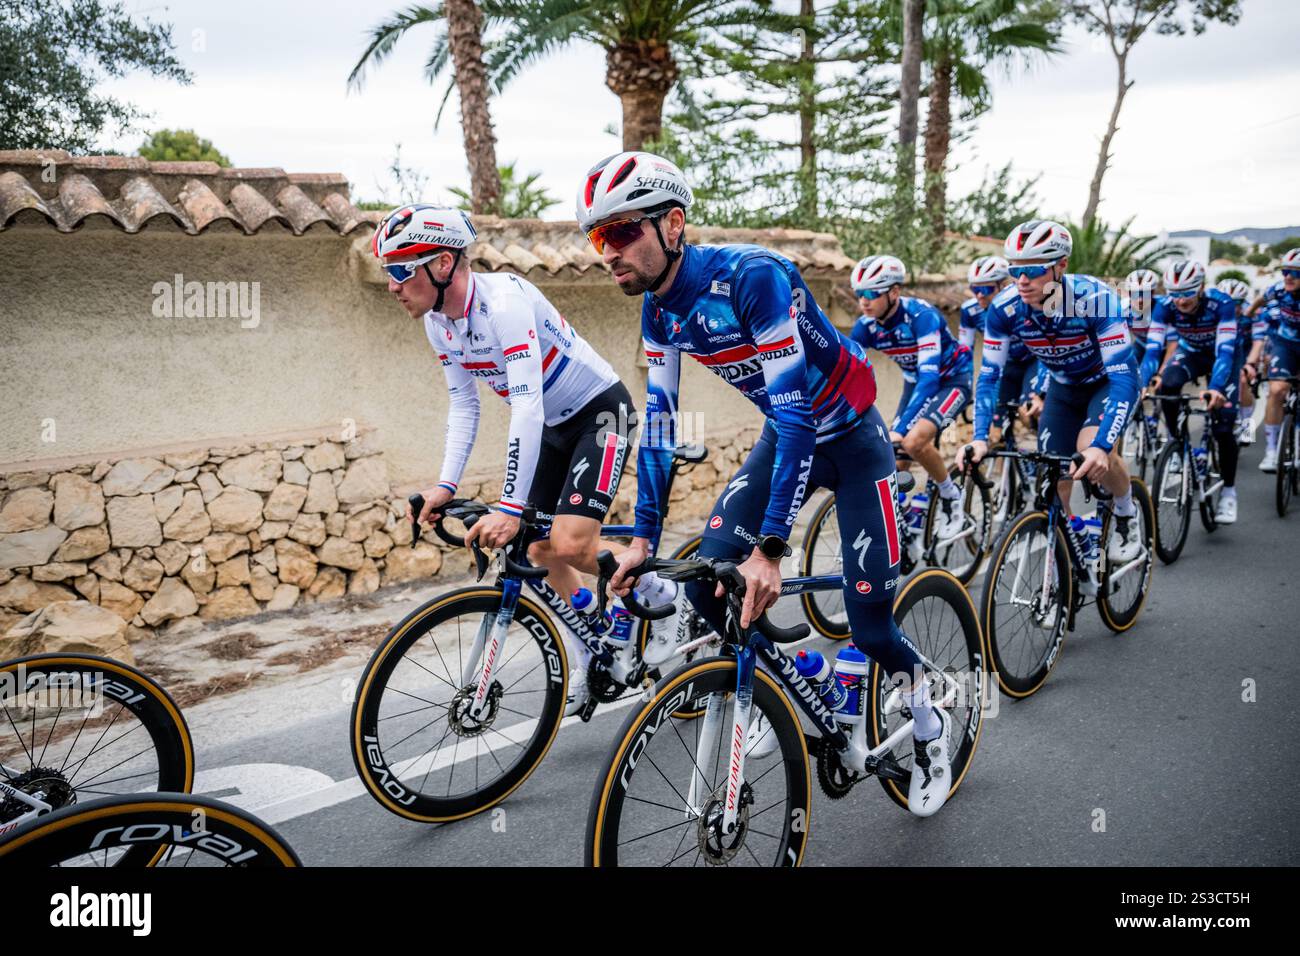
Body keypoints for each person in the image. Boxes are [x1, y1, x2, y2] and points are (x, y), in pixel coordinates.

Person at [581, 151, 954, 816]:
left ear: (672, 225)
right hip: (787, 439)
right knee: (709, 572)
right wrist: (642, 538)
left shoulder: (753, 277)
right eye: (595, 237)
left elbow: (795, 409)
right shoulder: (660, 314)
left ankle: (930, 726)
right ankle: (787, 682)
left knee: (870, 630)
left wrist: (773, 548)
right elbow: (663, 423)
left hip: (852, 442)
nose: (605, 251)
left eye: (618, 233)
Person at [371, 203, 674, 715]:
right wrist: (446, 486)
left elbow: (526, 401)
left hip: (599, 413)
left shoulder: (504, 302)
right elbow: (464, 404)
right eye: (387, 272)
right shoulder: (440, 325)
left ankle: (663, 597)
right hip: (554, 429)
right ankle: (590, 650)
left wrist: (509, 507)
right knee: (537, 551)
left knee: (570, 544)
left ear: (442, 265)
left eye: (401, 269)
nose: (392, 284)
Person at [960, 219, 1144, 567]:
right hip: (1063, 387)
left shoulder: (1096, 299)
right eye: (1015, 270)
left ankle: (1125, 511)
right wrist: (982, 438)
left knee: (1090, 453)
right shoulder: (1004, 309)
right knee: (1052, 481)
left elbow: (1123, 378)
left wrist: (1102, 446)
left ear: (1062, 266)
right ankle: (1073, 542)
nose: (1022, 280)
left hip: (1107, 383)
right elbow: (989, 376)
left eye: (1033, 269)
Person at [850, 254, 974, 540]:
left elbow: (930, 378)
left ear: (894, 292)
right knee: (895, 462)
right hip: (915, 383)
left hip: (951, 380)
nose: (863, 301)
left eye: (871, 293)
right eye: (859, 294)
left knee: (912, 440)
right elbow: (844, 370)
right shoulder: (866, 326)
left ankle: (951, 495)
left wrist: (900, 428)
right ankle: (907, 520)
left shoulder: (922, 316)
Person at [1140, 261, 1242, 524]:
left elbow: (1226, 352)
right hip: (1192, 352)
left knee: (1224, 427)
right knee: (1168, 385)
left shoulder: (1222, 304)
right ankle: (1177, 444)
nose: (1180, 300)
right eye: (1174, 293)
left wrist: (1216, 388)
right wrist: (1140, 383)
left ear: (1201, 288)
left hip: (1224, 356)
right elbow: (1153, 348)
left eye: (1186, 293)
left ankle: (1229, 492)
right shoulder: (1164, 306)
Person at [960, 255, 1043, 436]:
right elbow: (965, 353)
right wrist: (967, 388)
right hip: (1007, 366)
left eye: (986, 288)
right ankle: (1003, 462)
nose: (980, 294)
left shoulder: (1023, 304)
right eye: (975, 289)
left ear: (1004, 285)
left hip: (1033, 361)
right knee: (995, 433)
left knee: (1027, 412)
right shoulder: (969, 310)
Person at [1246, 248, 1300, 472]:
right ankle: (1271, 451)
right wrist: (1247, 315)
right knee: (1277, 389)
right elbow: (1260, 299)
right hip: (1285, 343)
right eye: (1285, 271)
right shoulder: (1278, 290)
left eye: (1295, 273)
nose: (1288, 276)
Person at [1216, 278, 1262, 444]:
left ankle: (1247, 425)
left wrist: (1250, 364)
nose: (1233, 307)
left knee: (1243, 380)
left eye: (1238, 303)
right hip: (1226, 352)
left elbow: (1259, 341)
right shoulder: (1216, 312)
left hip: (1248, 352)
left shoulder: (1252, 314)